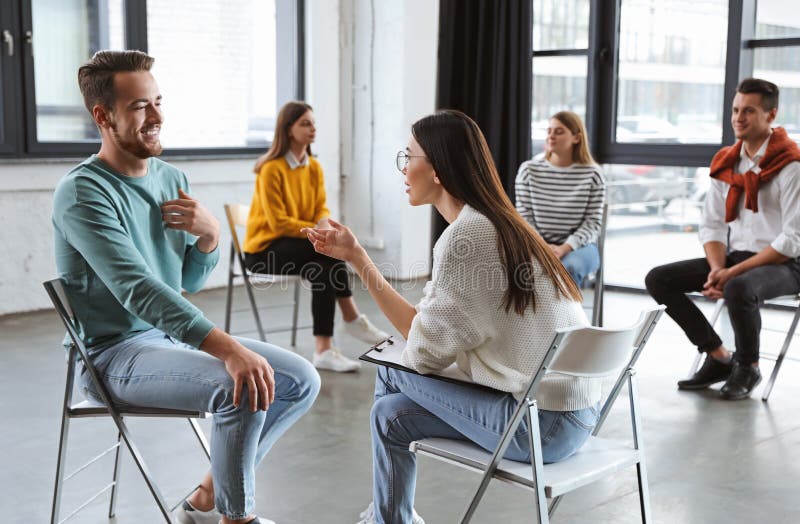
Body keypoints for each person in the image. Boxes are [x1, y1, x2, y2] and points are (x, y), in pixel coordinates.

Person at [53, 50, 321, 524]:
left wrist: (209, 236)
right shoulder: (83, 191)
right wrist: (228, 350)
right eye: (139, 106)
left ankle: (202, 502)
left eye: (158, 101)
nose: (157, 116)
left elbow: (186, 283)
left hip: (166, 339)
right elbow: (137, 289)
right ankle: (235, 518)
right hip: (113, 356)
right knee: (239, 383)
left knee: (300, 380)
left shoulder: (170, 178)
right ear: (102, 115)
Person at [303, 110, 603, 524]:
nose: (404, 168)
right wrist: (356, 255)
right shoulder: (505, 223)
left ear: (439, 168)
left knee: (388, 368)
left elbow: (424, 354)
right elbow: (427, 331)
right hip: (577, 415)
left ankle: (387, 520)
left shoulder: (466, 238)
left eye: (409, 156)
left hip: (538, 426)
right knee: (389, 416)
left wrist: (358, 260)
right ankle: (389, 519)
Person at [645, 78, 800, 400]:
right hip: (737, 258)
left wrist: (731, 275)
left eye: (748, 111)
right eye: (735, 110)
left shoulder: (791, 165)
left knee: (739, 286)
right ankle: (718, 356)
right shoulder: (726, 163)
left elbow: (792, 240)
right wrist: (719, 269)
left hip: (788, 264)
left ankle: (748, 366)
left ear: (771, 115)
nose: (738, 118)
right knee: (660, 279)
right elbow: (713, 226)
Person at [244, 101, 388, 373]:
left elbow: (321, 207)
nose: (313, 128)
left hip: (300, 248)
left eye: (313, 123)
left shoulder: (314, 168)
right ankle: (353, 318)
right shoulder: (271, 169)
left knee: (323, 267)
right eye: (305, 123)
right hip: (263, 253)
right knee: (328, 252)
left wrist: (322, 223)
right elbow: (278, 223)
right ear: (288, 130)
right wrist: (318, 231)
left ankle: (323, 350)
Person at [515, 111, 606, 287]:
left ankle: (564, 315)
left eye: (559, 131)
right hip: (535, 243)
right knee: (519, 268)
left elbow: (593, 223)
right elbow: (523, 217)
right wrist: (542, 246)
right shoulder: (528, 170)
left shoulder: (593, 174)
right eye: (549, 131)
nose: (551, 136)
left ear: (576, 138)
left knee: (568, 268)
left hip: (580, 247)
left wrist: (564, 248)